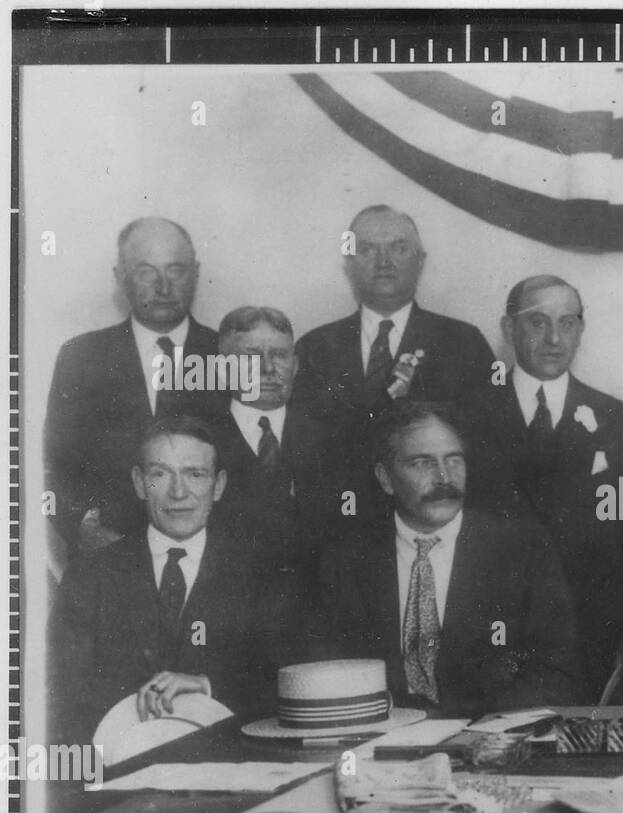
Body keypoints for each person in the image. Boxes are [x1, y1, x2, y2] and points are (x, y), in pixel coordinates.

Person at [310, 402, 583, 715]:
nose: (444, 478)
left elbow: (557, 676)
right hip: (381, 744)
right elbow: (329, 676)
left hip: (487, 741)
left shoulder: (522, 547)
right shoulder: (347, 559)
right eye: (422, 463)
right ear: (385, 478)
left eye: (454, 461)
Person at [48, 416, 286, 742]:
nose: (178, 492)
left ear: (218, 486)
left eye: (195, 474)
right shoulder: (89, 578)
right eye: (160, 474)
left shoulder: (262, 576)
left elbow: (288, 686)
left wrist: (207, 685)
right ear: (139, 482)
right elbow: (62, 700)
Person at [459, 276, 623, 700]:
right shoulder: (468, 413)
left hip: (592, 626)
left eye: (568, 323)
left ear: (580, 330)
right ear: (509, 330)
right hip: (494, 631)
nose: (554, 338)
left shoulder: (610, 415)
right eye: (538, 323)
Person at [45, 217, 223, 555]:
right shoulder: (81, 357)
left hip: (208, 567)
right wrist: (85, 530)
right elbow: (52, 466)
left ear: (196, 272)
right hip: (106, 563)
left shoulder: (227, 354)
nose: (163, 287)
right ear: (120, 277)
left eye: (176, 270)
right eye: (146, 271)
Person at [207, 306, 378, 578]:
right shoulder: (199, 440)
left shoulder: (336, 441)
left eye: (279, 355)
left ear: (295, 366)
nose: (268, 368)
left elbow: (351, 531)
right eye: (251, 356)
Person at [294, 204, 496, 425]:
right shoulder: (314, 349)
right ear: (349, 265)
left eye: (398, 248)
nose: (383, 262)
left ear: (421, 261)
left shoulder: (465, 343)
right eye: (367, 250)